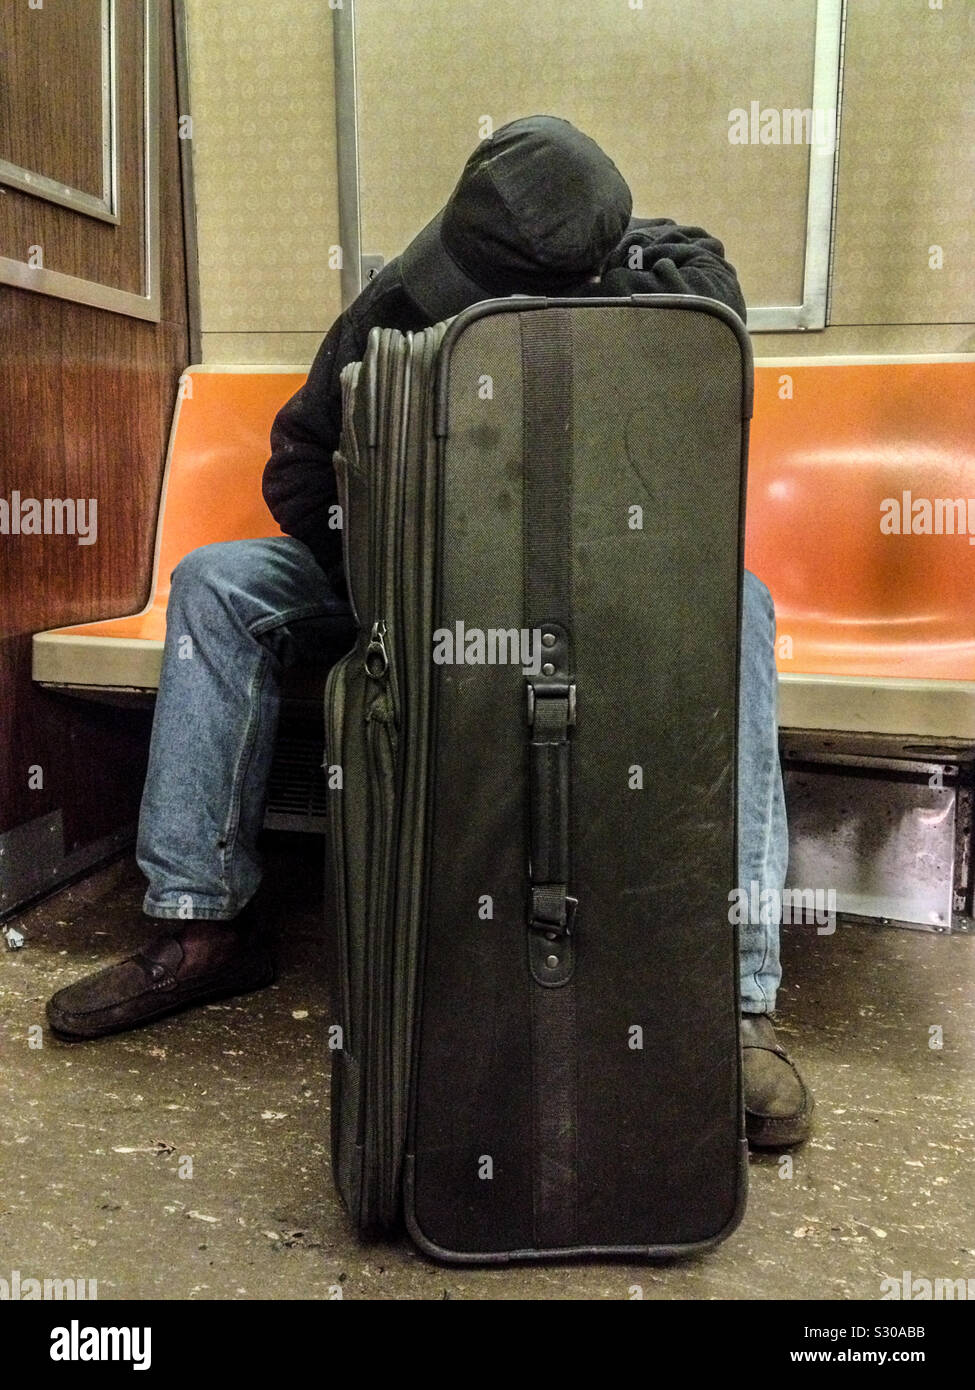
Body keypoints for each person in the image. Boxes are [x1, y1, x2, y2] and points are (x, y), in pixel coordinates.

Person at [46, 116, 812, 1149]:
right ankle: (204, 919)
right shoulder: (397, 298)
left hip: (593, 582)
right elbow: (297, 467)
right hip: (401, 580)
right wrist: (391, 574)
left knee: (743, 608)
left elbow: (697, 426)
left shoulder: (660, 291)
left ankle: (734, 1000)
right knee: (216, 582)